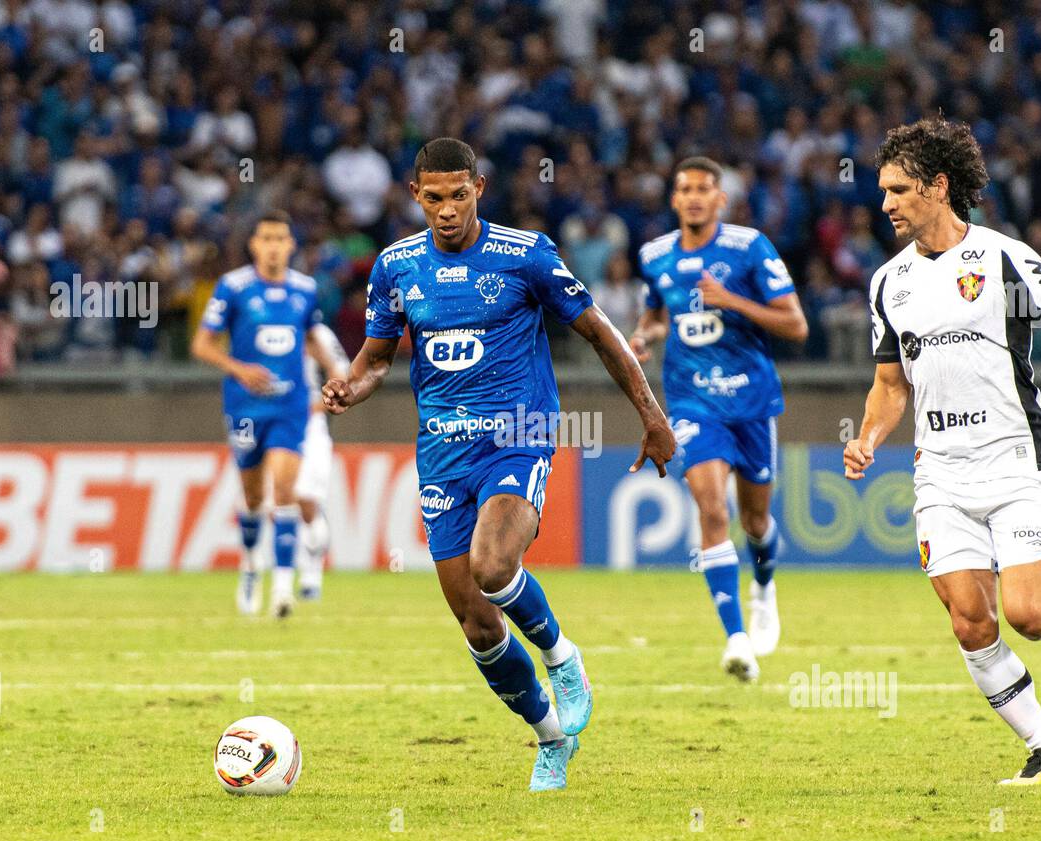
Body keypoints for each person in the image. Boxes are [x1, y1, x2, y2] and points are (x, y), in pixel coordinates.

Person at [323, 138, 675, 791]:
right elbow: (375, 362)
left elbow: (599, 331)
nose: (448, 209)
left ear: (479, 188)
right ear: (415, 196)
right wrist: (348, 385)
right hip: (441, 451)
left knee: (492, 566)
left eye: (460, 195)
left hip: (519, 434)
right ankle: (549, 738)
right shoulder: (396, 266)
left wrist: (652, 418)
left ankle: (561, 655)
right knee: (477, 623)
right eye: (435, 198)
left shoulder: (526, 255)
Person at [844, 118, 1041, 786]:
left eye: (899, 189)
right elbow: (889, 384)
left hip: (1014, 462)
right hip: (939, 475)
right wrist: (869, 438)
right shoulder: (888, 283)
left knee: (1022, 615)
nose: (886, 204)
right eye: (882, 190)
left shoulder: (1003, 259)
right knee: (970, 623)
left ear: (939, 186)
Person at [630, 157, 809, 681]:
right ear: (673, 198)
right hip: (691, 403)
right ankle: (735, 639)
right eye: (683, 188)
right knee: (711, 509)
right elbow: (657, 313)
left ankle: (764, 587)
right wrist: (645, 336)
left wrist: (732, 300)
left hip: (751, 402)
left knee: (755, 521)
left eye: (703, 189)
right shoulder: (654, 255)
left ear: (720, 199)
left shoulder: (749, 247)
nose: (692, 197)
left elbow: (795, 324)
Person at [191, 210, 339, 618]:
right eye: (266, 239)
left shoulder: (305, 290)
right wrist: (240, 370)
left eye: (281, 239)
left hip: (290, 406)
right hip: (244, 406)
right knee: (254, 497)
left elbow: (311, 335)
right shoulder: (233, 287)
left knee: (285, 490)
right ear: (254, 245)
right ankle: (251, 564)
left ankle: (282, 590)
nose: (274, 246)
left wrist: (335, 370)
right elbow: (202, 345)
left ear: (291, 245)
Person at [294, 322, 349, 601]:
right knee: (276, 501)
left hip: (309, 425)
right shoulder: (260, 325)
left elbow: (341, 372)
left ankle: (310, 576)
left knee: (306, 500)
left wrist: (320, 403)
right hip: (273, 422)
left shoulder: (315, 333)